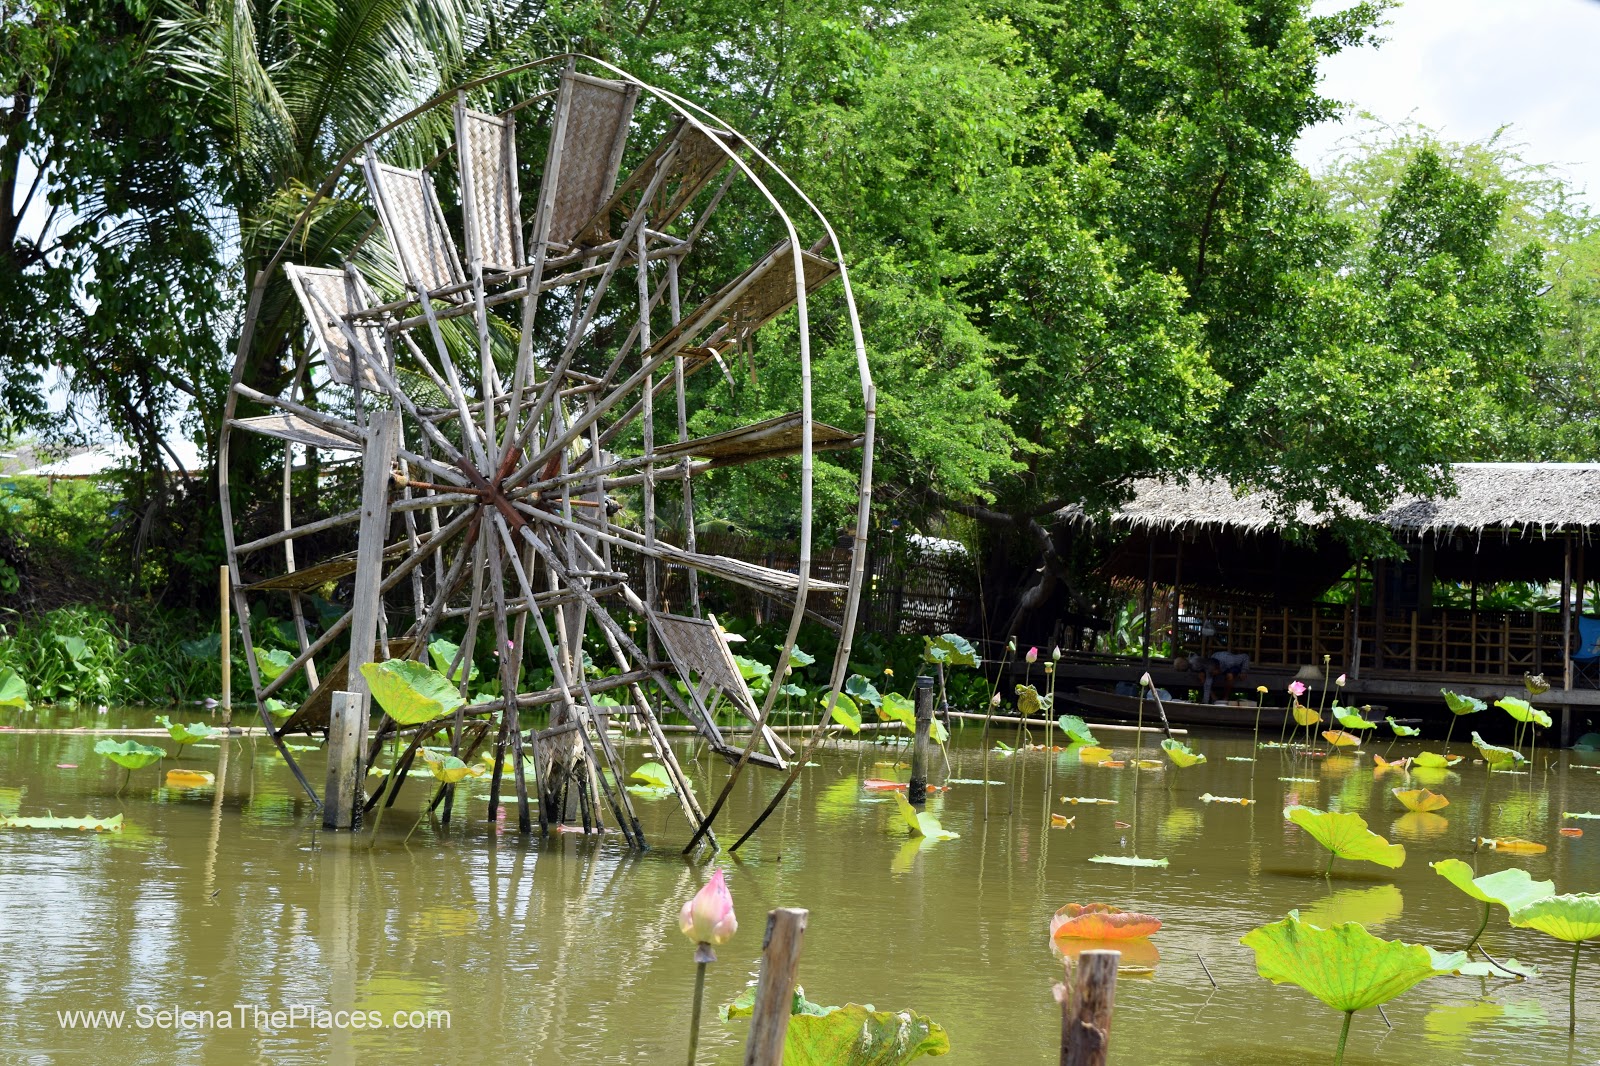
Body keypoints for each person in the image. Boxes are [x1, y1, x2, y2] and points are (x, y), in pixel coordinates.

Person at [1172, 651, 1251, 703]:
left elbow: (1245, 657)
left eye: (1214, 673)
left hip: (1228, 664)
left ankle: (1226, 698)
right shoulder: (1208, 668)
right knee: (1204, 678)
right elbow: (1207, 684)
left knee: (1229, 676)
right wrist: (1206, 702)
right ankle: (1217, 701)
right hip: (1214, 664)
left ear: (1217, 669)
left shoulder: (1230, 660)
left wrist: (1244, 671)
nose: (1212, 674)